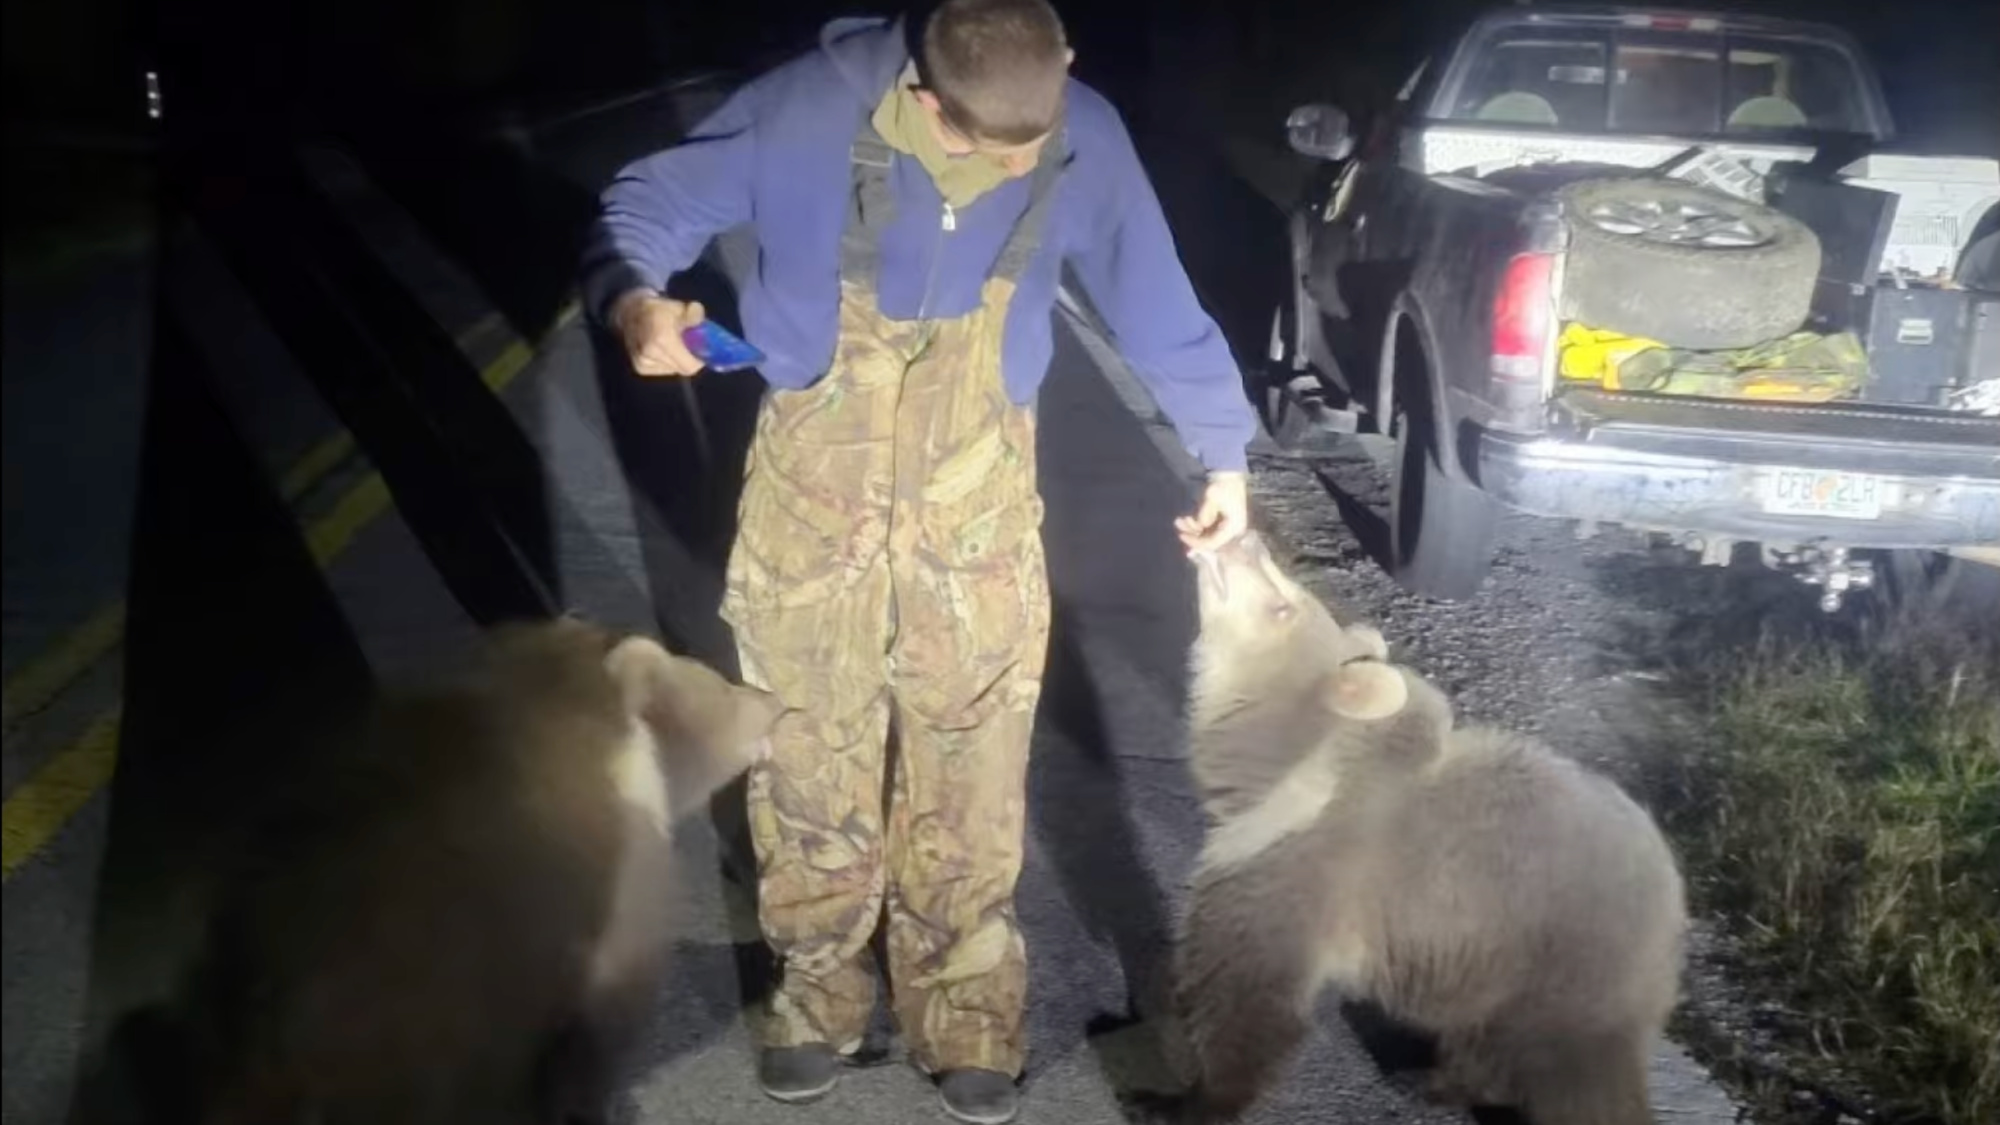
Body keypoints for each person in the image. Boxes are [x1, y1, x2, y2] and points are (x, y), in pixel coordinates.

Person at [581, 2, 1255, 1121]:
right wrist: (635, 299)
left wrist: (1222, 456)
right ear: (929, 100)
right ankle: (816, 1000)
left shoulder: (1080, 129)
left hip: (976, 497)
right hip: (812, 489)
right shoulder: (805, 107)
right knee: (803, 747)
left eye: (1034, 144)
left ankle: (967, 1015)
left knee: (973, 759)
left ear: (1067, 66)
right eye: (990, 148)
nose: (1020, 165)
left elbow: (1152, 294)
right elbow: (647, 202)